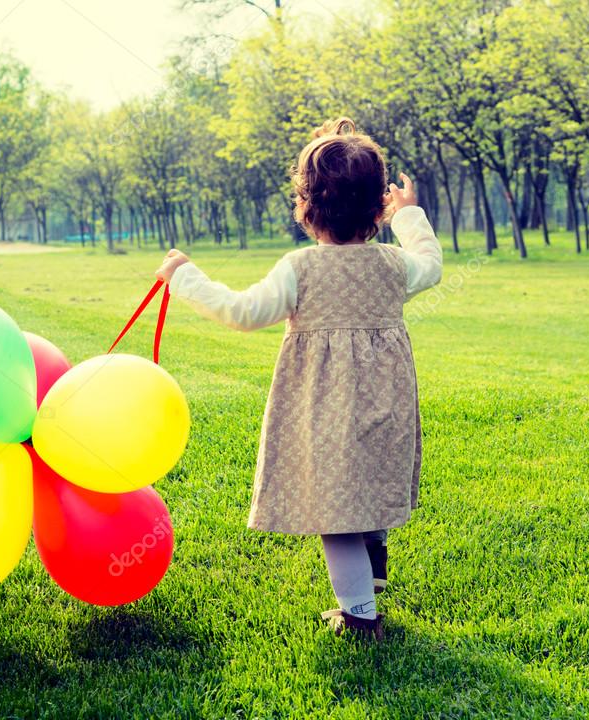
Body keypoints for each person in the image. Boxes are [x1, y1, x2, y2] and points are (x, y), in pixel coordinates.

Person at [155, 117, 442, 640]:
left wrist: (185, 277)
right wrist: (411, 215)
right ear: (378, 207)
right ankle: (371, 564)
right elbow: (432, 263)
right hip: (385, 404)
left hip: (326, 408)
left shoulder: (299, 269)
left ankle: (359, 616)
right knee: (365, 484)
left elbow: (242, 311)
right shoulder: (394, 265)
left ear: (306, 209)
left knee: (334, 514)